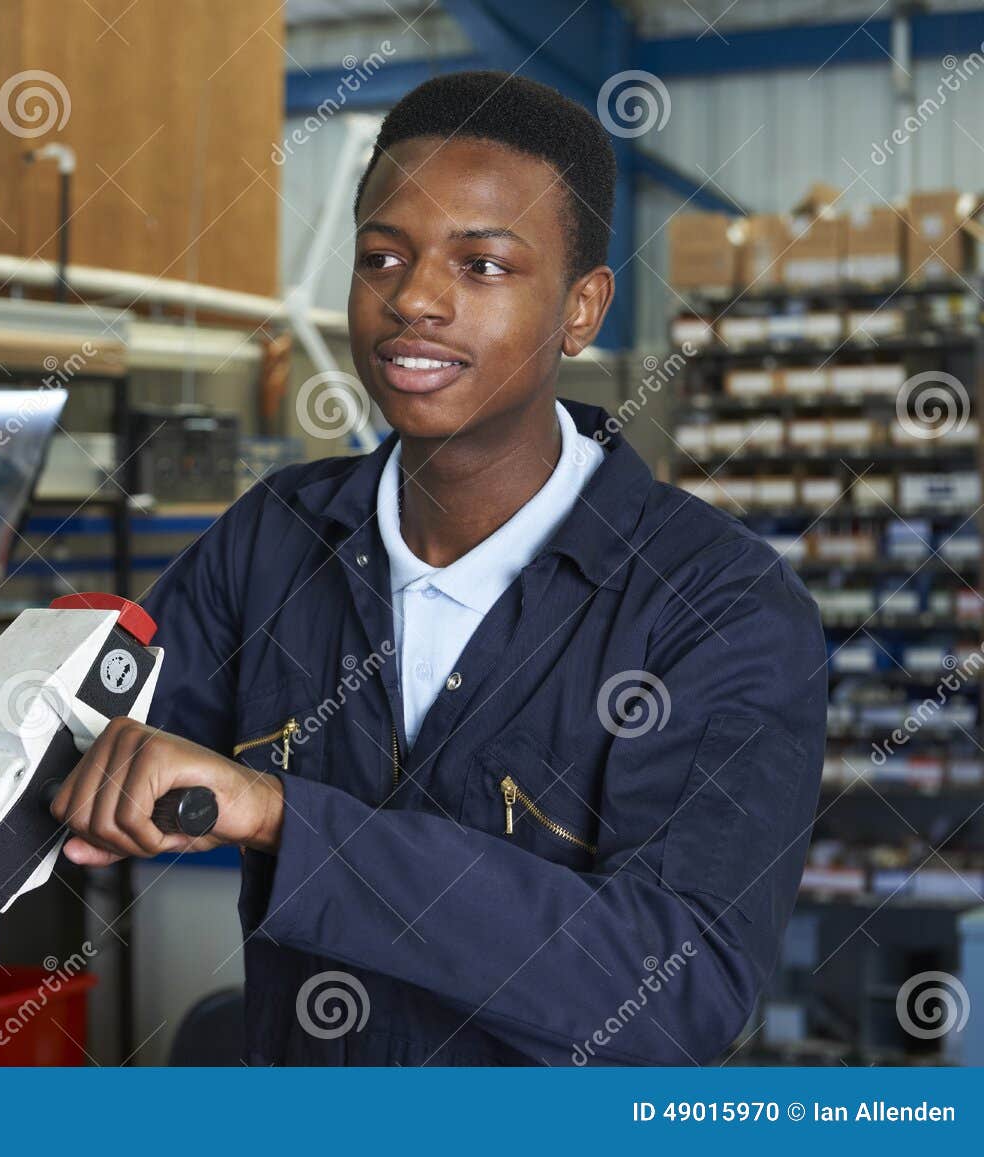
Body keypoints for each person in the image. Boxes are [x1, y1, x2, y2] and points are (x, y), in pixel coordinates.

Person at [50, 70, 826, 1066]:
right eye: (382, 255)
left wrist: (285, 817)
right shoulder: (271, 539)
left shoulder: (717, 610)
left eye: (483, 266)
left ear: (581, 308)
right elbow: (93, 739)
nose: (413, 297)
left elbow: (676, 986)